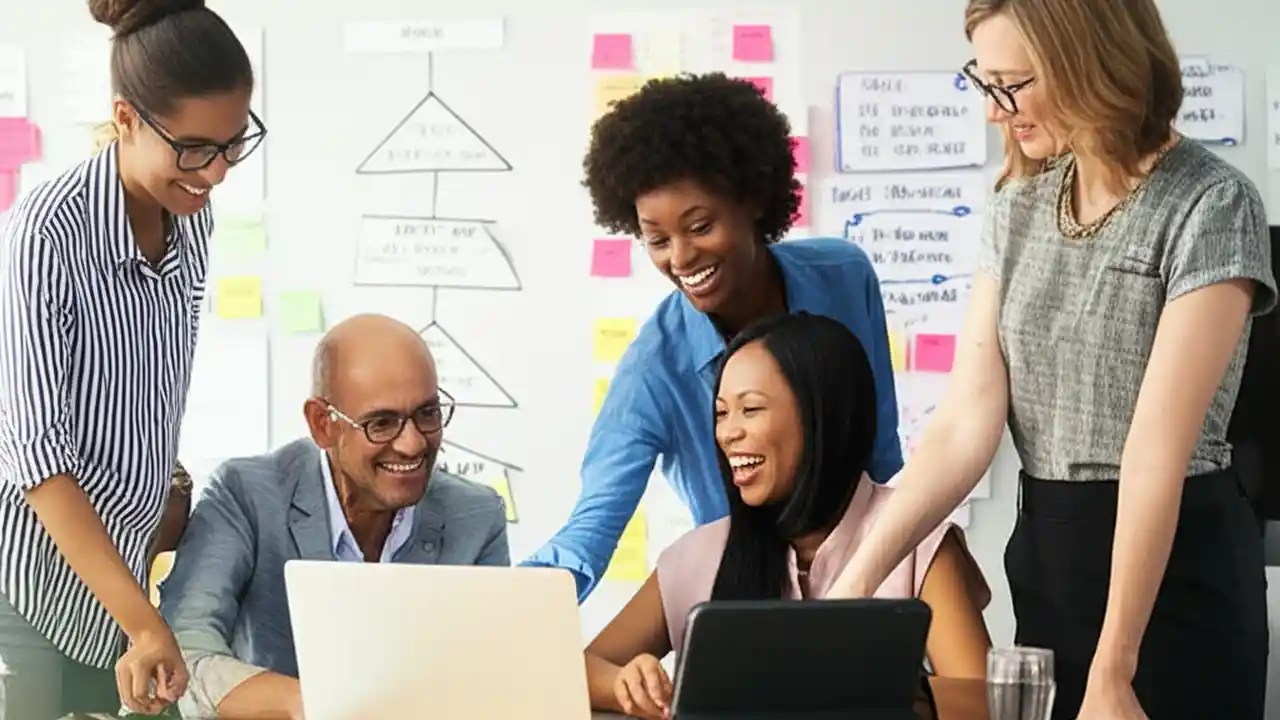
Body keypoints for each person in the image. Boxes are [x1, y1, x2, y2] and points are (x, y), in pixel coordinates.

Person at [828, 2, 1277, 718]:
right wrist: (853, 583)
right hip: (1050, 563)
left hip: (1174, 576)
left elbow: (1155, 450)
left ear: (1089, 63)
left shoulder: (1213, 204)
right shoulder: (1019, 205)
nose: (995, 114)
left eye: (1015, 85)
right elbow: (965, 423)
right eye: (988, 83)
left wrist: (1113, 666)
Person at [524, 73, 903, 599]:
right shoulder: (655, 367)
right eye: (656, 239)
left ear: (751, 198)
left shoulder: (844, 277)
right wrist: (511, 609)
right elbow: (590, 533)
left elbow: (882, 457)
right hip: (750, 602)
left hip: (874, 580)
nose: (679, 259)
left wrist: (918, 567)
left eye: (700, 227)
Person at [0, 1, 263, 717]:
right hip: (26, 591)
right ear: (125, 119)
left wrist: (161, 480)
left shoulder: (191, 217)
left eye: (233, 144)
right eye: (194, 147)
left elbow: (149, 386)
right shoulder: (45, 233)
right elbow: (37, 458)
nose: (216, 174)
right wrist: (145, 623)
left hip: (122, 587)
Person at [583, 314, 990, 719]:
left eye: (751, 409)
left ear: (822, 416)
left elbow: (983, 702)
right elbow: (581, 669)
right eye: (722, 413)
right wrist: (624, 686)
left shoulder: (919, 541)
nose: (728, 433)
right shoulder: (699, 554)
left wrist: (892, 692)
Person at [158, 314, 510, 719]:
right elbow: (185, 650)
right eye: (381, 423)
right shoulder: (246, 494)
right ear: (322, 424)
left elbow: (491, 673)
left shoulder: (478, 517)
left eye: (427, 414)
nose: (413, 444)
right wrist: (315, 706)